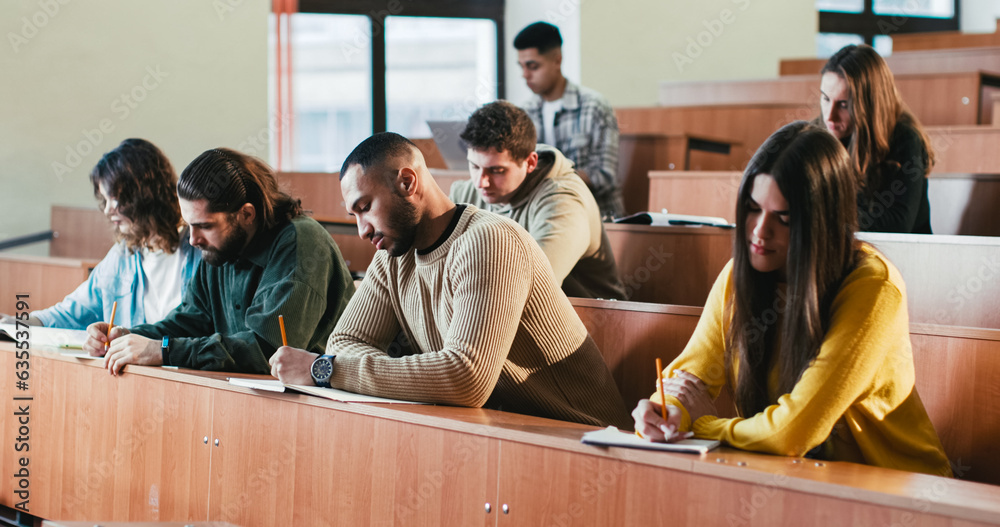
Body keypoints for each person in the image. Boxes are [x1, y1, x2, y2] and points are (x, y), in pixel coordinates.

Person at [631, 122, 951, 477]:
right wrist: (665, 411)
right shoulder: (740, 275)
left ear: (822, 224)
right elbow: (688, 377)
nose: (759, 231)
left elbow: (792, 431)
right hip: (801, 479)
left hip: (900, 490)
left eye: (783, 218)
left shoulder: (874, 288)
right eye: (753, 208)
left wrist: (705, 425)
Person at [269, 132, 631, 429]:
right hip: (496, 429)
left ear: (407, 182)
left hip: (579, 435)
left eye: (365, 208)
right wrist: (361, 367)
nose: (362, 230)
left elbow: (464, 377)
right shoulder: (392, 256)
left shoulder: (490, 241)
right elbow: (347, 340)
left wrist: (325, 369)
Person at [82, 148, 355, 375]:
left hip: (319, 409)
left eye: (204, 226)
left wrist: (164, 349)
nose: (193, 240)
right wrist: (126, 337)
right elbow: (190, 321)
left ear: (246, 215)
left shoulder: (300, 243)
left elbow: (266, 350)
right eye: (189, 226)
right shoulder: (219, 248)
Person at [0, 139, 200, 329]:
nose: (107, 210)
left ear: (145, 195)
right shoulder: (122, 256)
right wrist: (15, 323)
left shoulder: (199, 251)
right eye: (105, 200)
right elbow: (72, 311)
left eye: (116, 199)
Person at [449, 100, 625, 300]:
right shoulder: (466, 193)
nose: (482, 182)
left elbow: (534, 286)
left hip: (595, 321)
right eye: (474, 166)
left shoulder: (564, 202)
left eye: (497, 170)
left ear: (530, 162)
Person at [819, 44, 934, 234]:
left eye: (843, 104)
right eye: (825, 99)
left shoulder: (906, 140)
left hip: (900, 259)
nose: (829, 116)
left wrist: (823, 212)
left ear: (869, 106)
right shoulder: (819, 134)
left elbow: (898, 224)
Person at [514, 22, 623, 218]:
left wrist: (547, 175)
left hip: (596, 218)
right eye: (521, 66)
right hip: (544, 215)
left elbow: (605, 178)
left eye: (533, 66)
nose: (525, 75)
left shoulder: (594, 106)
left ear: (557, 60)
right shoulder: (525, 112)